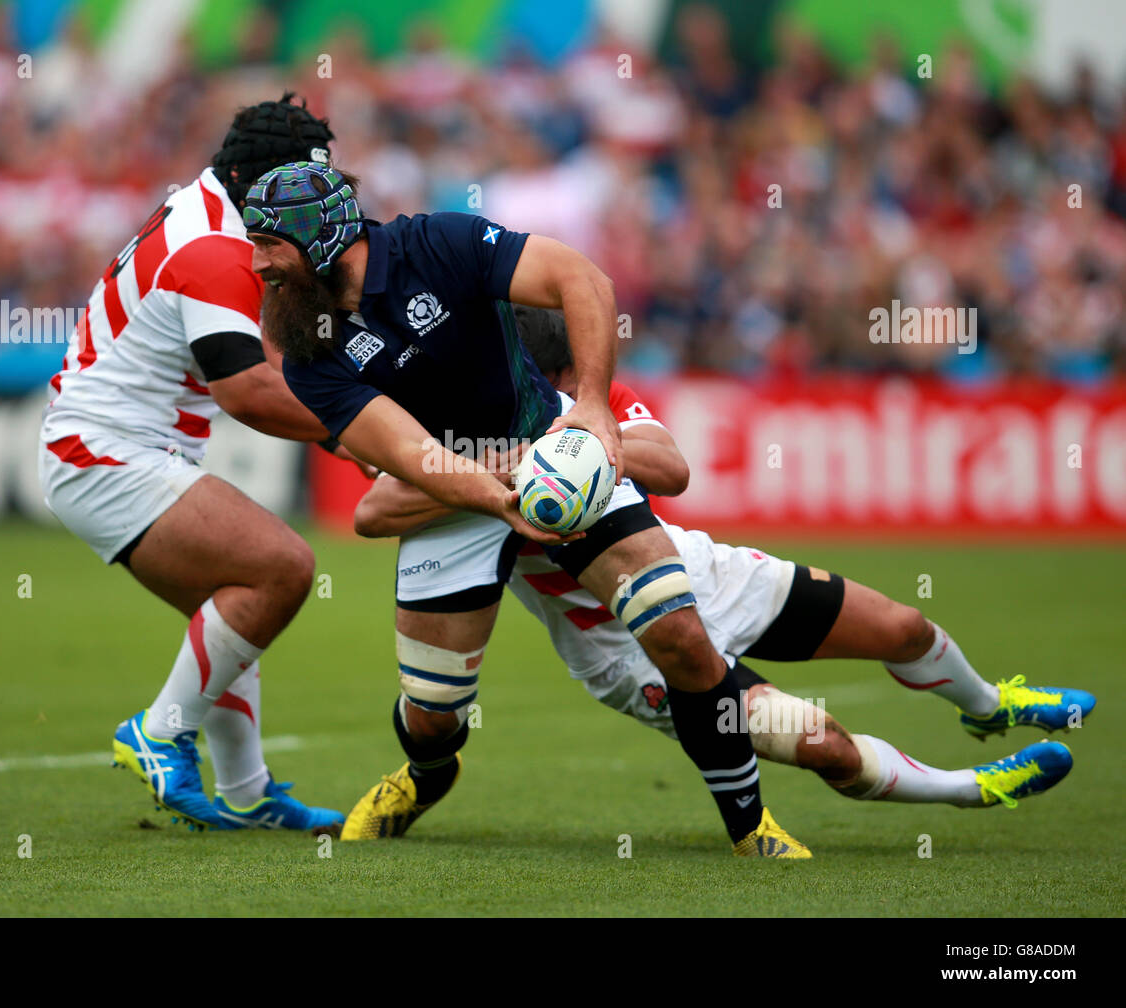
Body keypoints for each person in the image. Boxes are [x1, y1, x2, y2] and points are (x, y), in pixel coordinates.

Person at [245, 161, 808, 857]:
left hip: (553, 447)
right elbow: (415, 457)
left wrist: (593, 408)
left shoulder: (439, 243)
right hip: (450, 497)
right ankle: (426, 775)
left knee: (680, 635)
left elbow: (581, 279)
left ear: (324, 239)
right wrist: (502, 496)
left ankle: (750, 827)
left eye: (270, 245)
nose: (258, 264)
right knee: (433, 714)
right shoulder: (307, 351)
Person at [354, 307, 1094, 814]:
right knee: (826, 745)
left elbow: (672, 468)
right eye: (564, 380)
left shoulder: (593, 403)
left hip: (697, 571)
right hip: (625, 645)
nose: (576, 389)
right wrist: (510, 471)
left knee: (903, 627)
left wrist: (576, 445)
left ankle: (989, 705)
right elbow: (376, 511)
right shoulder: (453, 435)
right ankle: (976, 789)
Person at [38, 95, 351, 832]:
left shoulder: (211, 215)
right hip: (107, 451)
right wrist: (363, 432)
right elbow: (247, 391)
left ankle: (246, 792)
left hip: (117, 447)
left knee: (236, 605)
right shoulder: (211, 245)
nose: (304, 208)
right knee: (283, 568)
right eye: (290, 189)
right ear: (246, 180)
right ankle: (159, 732)